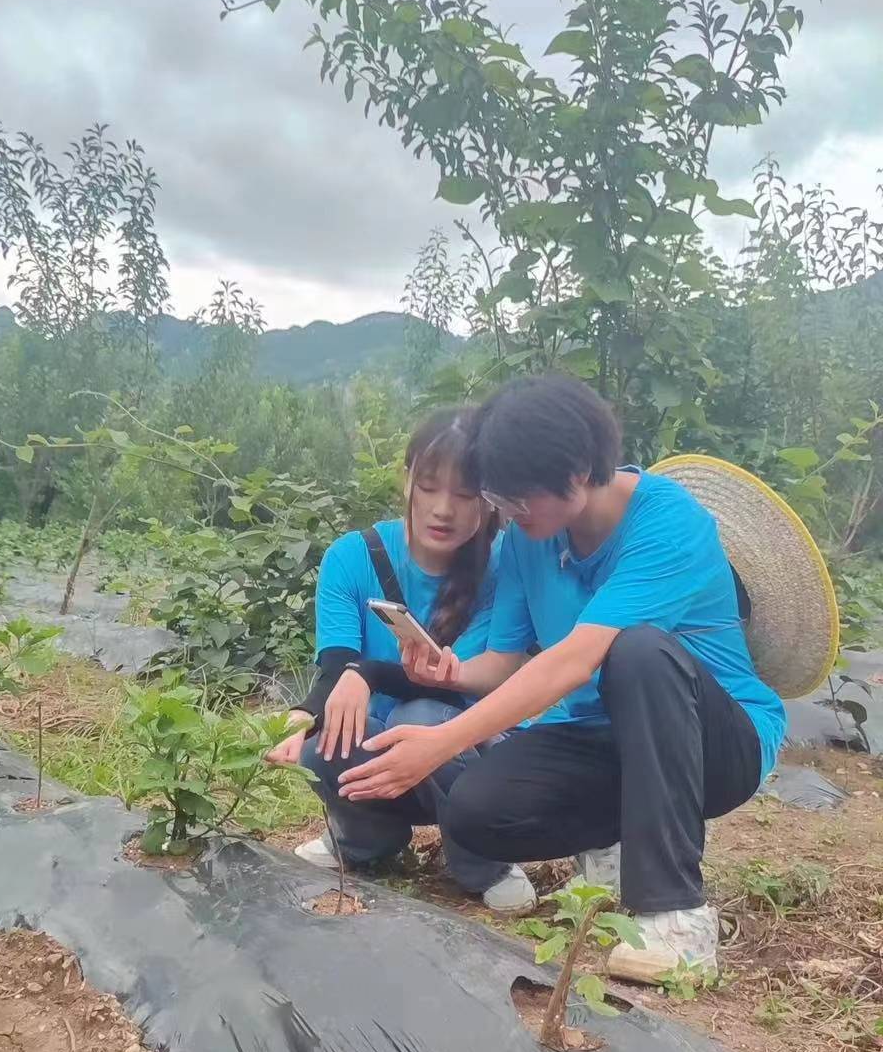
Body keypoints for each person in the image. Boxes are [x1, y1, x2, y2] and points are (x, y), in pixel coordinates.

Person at [334, 374, 832, 983]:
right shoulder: (525, 540)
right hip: (600, 737)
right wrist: (454, 670)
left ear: (576, 475)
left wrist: (444, 739)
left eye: (519, 499)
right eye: (501, 498)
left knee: (639, 650)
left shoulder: (671, 523)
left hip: (715, 742)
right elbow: (509, 663)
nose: (508, 513)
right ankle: (624, 836)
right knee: (475, 812)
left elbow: (578, 659)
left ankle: (675, 914)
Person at [266, 407, 539, 912]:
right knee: (322, 739)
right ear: (408, 479)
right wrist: (304, 714)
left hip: (468, 744)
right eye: (430, 487)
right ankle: (365, 840)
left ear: (489, 499)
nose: (443, 509)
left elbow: (483, 679)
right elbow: (337, 663)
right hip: (381, 746)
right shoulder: (352, 556)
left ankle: (483, 857)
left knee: (423, 716)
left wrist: (369, 674)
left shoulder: (507, 564)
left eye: (464, 494)